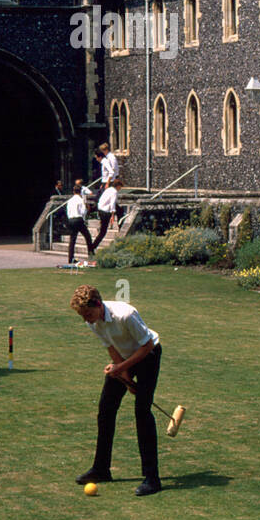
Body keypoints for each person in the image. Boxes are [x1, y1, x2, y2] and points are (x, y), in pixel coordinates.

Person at [70, 285, 162, 496]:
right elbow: (112, 347)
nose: (86, 320)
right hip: (124, 358)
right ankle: (101, 469)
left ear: (98, 305)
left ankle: (152, 478)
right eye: (82, 316)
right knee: (106, 409)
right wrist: (125, 376)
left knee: (142, 411)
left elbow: (147, 346)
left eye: (88, 314)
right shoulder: (92, 322)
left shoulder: (126, 315)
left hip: (149, 356)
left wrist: (120, 369)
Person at [65, 180, 95, 263]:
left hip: (71, 219)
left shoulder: (70, 200)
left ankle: (70, 258)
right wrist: (85, 215)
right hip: (78, 219)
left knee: (72, 240)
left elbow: (68, 212)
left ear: (73, 191)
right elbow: (83, 212)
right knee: (87, 236)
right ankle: (91, 254)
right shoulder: (80, 200)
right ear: (80, 192)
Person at [92, 177, 120, 249]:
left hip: (100, 209)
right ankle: (93, 246)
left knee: (103, 230)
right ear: (118, 186)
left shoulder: (108, 190)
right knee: (103, 232)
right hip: (105, 212)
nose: (120, 189)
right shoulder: (114, 192)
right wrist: (112, 215)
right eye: (120, 187)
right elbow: (112, 203)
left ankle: (93, 246)